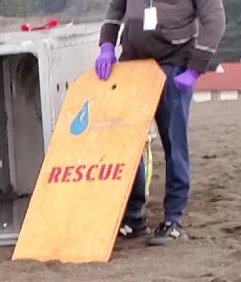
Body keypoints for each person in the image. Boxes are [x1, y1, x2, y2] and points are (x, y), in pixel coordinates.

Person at [95, 0, 225, 245]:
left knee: (174, 144)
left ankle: (173, 221)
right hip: (132, 64)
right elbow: (115, 9)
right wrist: (107, 45)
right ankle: (133, 217)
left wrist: (196, 67)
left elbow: (214, 20)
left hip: (174, 65)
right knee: (126, 142)